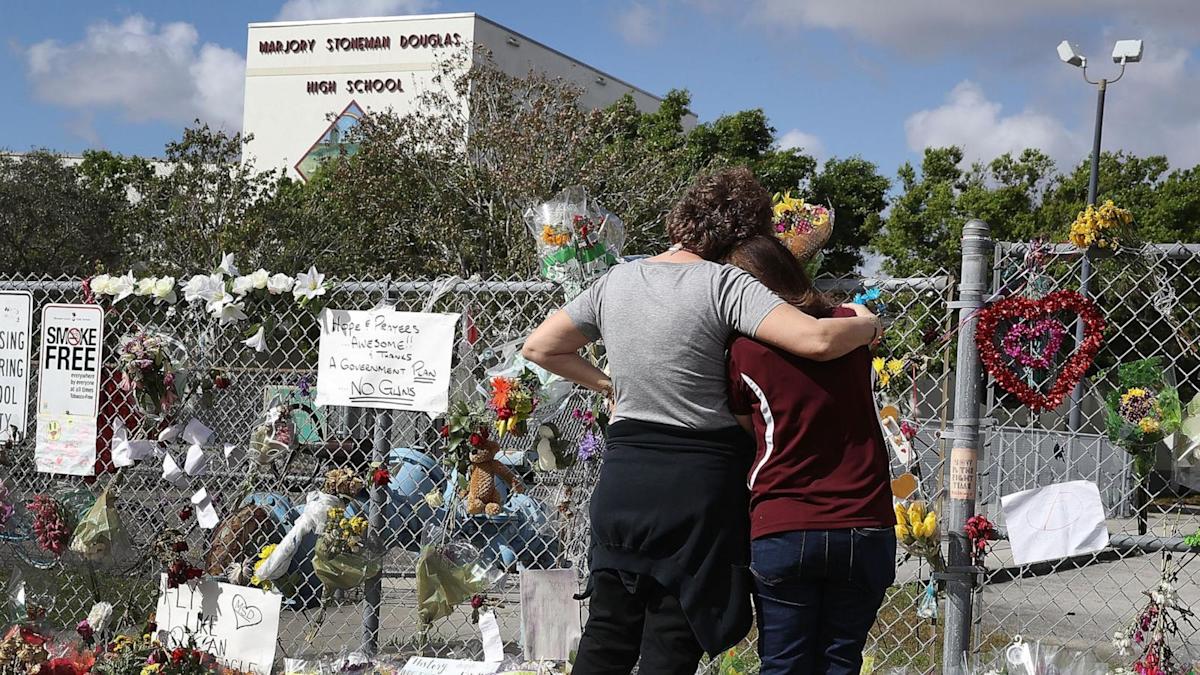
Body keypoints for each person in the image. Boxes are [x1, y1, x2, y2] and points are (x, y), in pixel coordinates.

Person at [521, 167, 882, 675]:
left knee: (607, 631)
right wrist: (865, 323)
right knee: (671, 635)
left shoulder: (616, 280)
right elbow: (817, 341)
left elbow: (540, 346)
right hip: (695, 487)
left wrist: (609, 385)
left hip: (624, 478)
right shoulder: (724, 284)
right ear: (746, 233)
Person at [724, 234, 896, 675]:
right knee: (841, 660)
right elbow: (865, 318)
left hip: (785, 519)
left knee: (783, 664)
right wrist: (865, 320)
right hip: (864, 518)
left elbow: (751, 430)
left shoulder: (743, 350)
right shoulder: (850, 328)